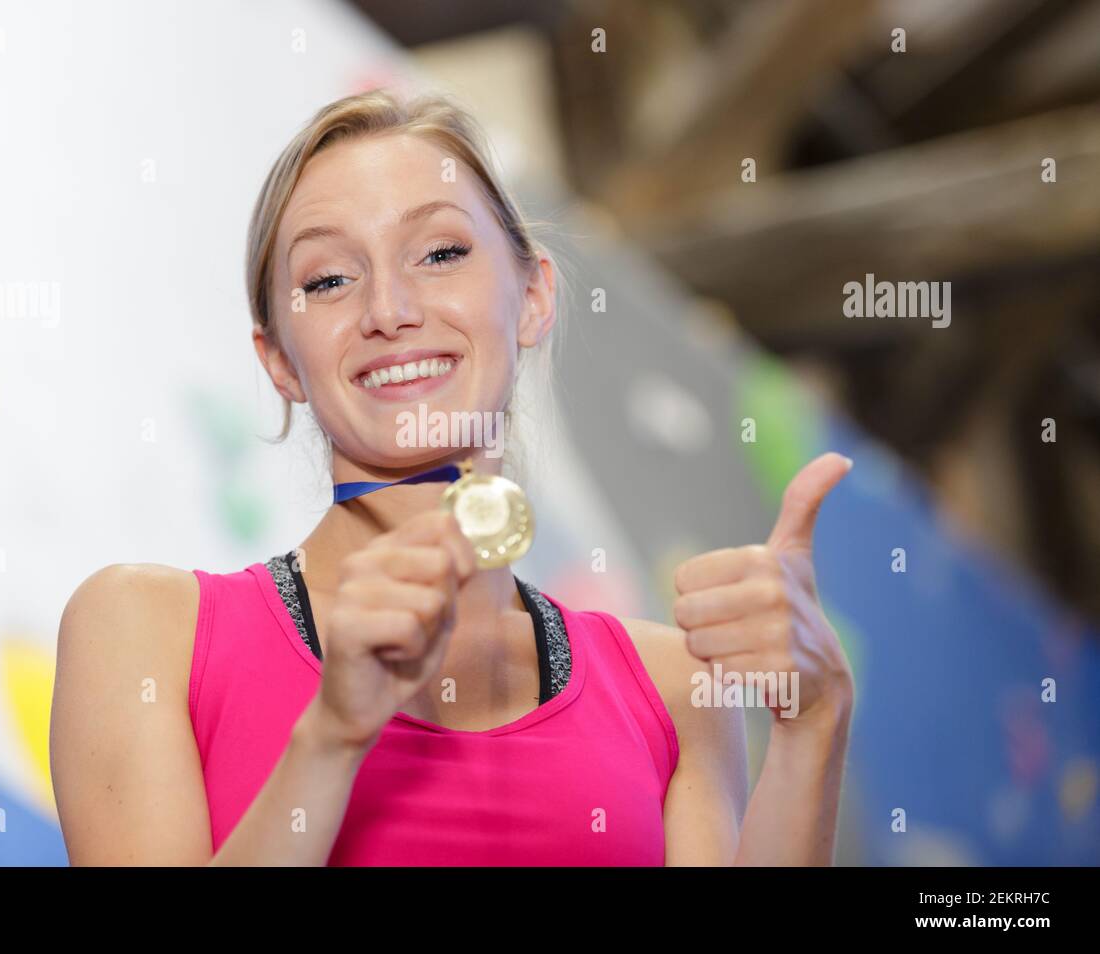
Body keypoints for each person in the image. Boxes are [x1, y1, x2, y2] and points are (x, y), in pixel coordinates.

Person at [49, 88, 854, 866]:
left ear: (534, 296)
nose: (390, 309)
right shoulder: (146, 631)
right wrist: (330, 737)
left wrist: (814, 724)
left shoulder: (670, 685)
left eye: (440, 253)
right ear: (280, 362)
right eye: (330, 279)